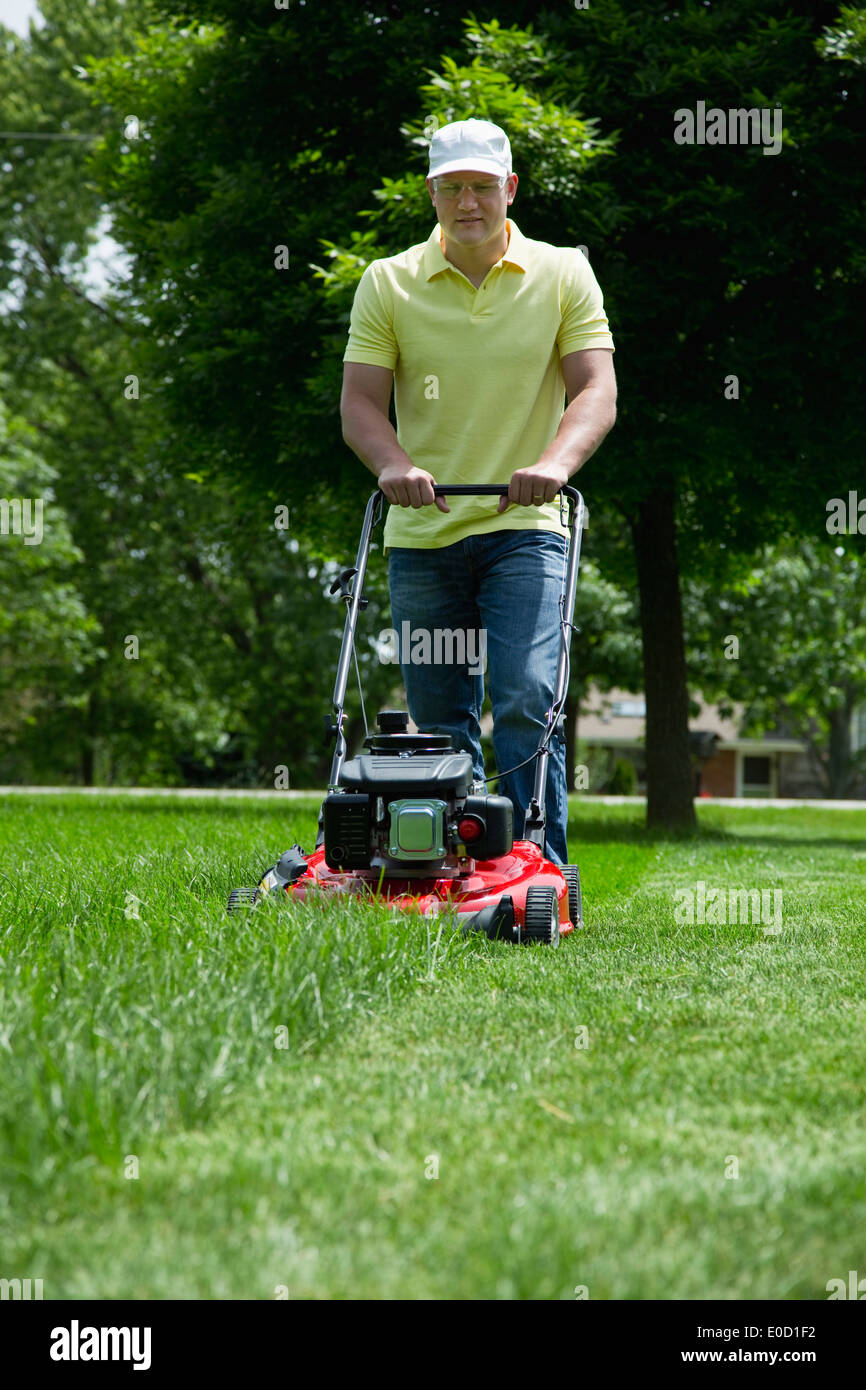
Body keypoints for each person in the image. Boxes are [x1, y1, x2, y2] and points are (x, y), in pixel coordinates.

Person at [340, 118, 616, 863]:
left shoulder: (563, 273)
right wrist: (392, 463)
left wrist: (555, 464)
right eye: (453, 187)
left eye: (482, 187)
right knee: (437, 718)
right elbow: (361, 403)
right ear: (431, 192)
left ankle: (536, 867)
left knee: (528, 696)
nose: (469, 202)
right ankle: (451, 865)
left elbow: (596, 390)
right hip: (424, 534)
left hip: (526, 526)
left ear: (510, 190)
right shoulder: (388, 282)